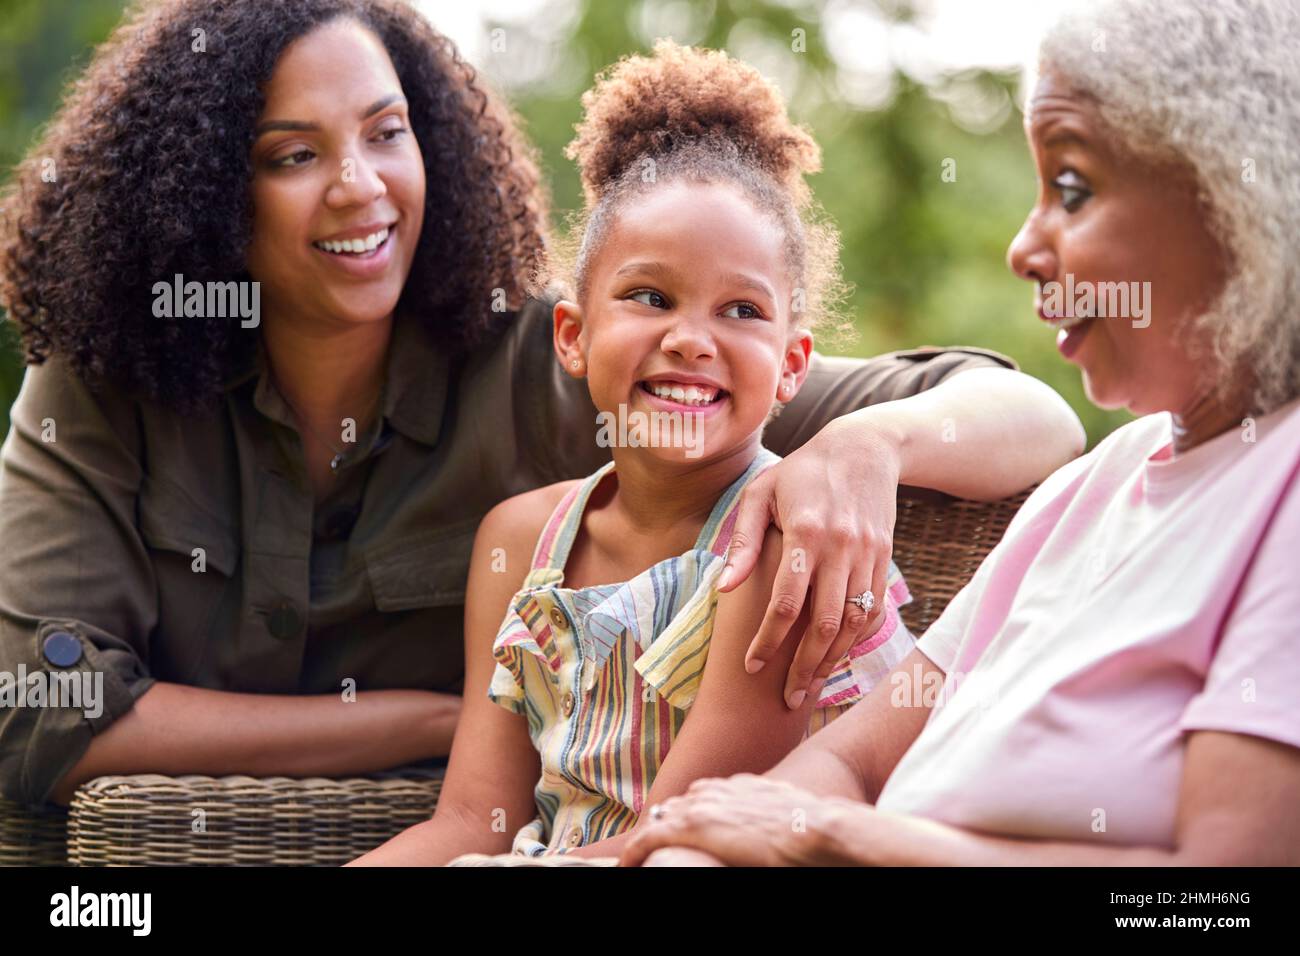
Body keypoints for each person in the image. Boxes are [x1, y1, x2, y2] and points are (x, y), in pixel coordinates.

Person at [0, 0, 1082, 811]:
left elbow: (1035, 418)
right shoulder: (102, 385)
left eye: (387, 132)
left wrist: (867, 444)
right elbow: (44, 713)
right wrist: (440, 719)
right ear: (198, 195)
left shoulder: (562, 358)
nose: (359, 187)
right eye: (294, 154)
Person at [620, 0, 1300, 867]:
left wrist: (836, 838)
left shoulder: (1283, 485)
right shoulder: (1091, 486)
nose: (1023, 246)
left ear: (1241, 203)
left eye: (1073, 188)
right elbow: (847, 759)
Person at [352, 41, 926, 864]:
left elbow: (672, 840)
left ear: (793, 366)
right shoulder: (521, 539)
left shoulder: (774, 548)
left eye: (741, 310)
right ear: (574, 337)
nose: (692, 340)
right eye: (650, 297)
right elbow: (469, 819)